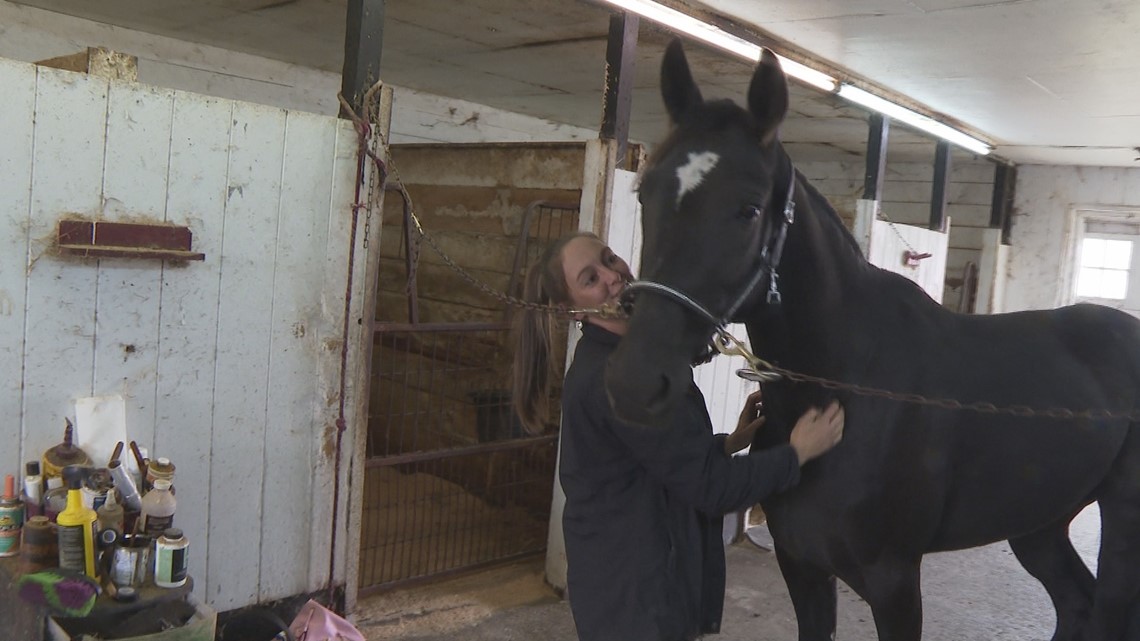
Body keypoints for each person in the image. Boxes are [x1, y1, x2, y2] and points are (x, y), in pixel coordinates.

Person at [511, 231, 845, 641]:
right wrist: (797, 453)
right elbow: (711, 489)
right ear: (571, 310)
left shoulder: (626, 356)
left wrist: (724, 444)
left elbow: (650, 462)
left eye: (609, 258)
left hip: (629, 585)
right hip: (638, 600)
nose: (613, 276)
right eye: (590, 278)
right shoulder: (617, 378)